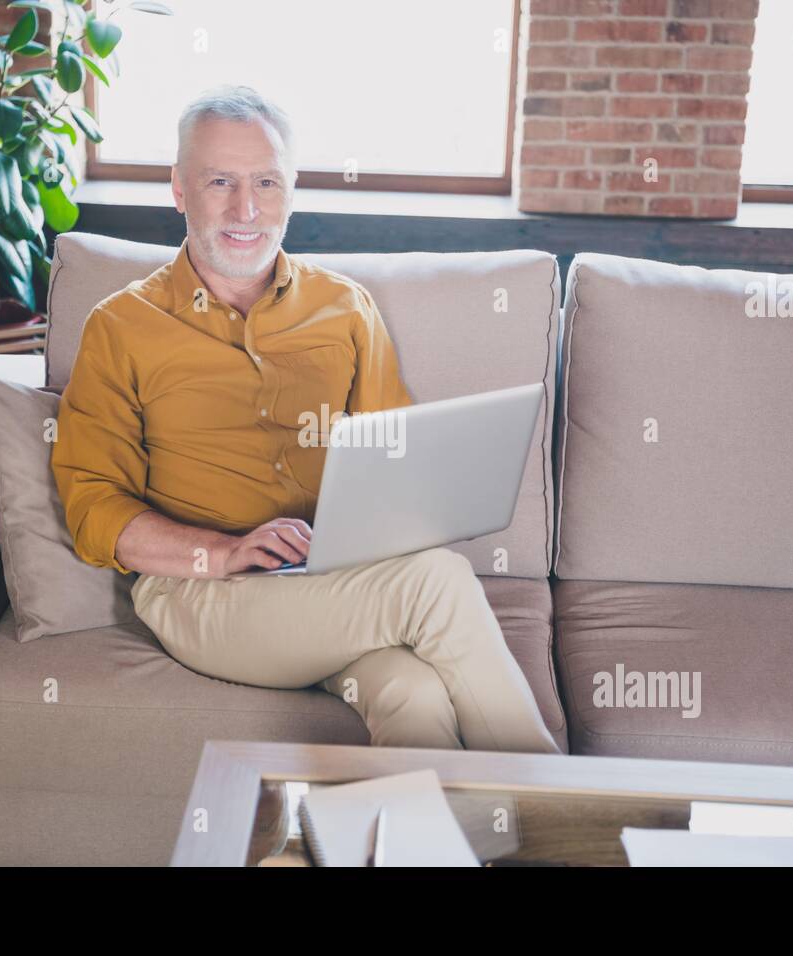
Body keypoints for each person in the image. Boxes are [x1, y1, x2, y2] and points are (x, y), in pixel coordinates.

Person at [51, 84, 560, 755]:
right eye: (220, 182)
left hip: (327, 587)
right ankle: (577, 826)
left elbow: (395, 461)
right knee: (436, 581)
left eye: (267, 181)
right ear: (179, 189)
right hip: (202, 593)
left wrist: (381, 523)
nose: (246, 208)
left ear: (292, 190)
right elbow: (93, 507)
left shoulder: (345, 309)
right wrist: (227, 551)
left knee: (415, 692)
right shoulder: (121, 325)